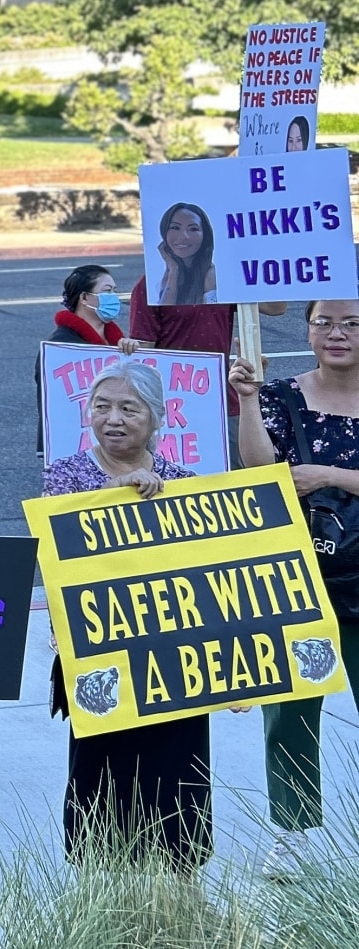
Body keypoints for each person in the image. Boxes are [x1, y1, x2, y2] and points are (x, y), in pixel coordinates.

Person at [42, 361, 211, 871]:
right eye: (101, 406)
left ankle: (177, 901)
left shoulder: (185, 484)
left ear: (157, 418)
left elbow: (206, 580)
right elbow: (61, 556)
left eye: (128, 408)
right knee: (101, 785)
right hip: (100, 658)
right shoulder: (64, 478)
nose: (113, 419)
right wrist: (124, 497)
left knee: (175, 785)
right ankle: (104, 901)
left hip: (173, 665)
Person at [232, 300, 359, 879]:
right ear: (306, 329)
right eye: (324, 322)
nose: (337, 333)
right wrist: (249, 401)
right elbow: (260, 474)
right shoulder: (282, 394)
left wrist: (328, 476)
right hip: (299, 578)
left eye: (353, 323)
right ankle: (293, 832)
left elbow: (308, 478)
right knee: (290, 711)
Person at [127, 277, 283, 470]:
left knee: (238, 474)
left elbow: (276, 307)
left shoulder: (224, 277)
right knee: (173, 473)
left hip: (223, 398)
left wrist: (253, 264)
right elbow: (145, 351)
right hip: (174, 402)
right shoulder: (150, 284)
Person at [35, 265, 138, 458]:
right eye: (107, 291)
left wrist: (133, 354)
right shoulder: (60, 347)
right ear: (84, 298)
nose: (114, 297)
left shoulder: (116, 342)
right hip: (77, 447)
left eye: (114, 291)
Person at [155, 202, 216, 306]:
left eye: (193, 229)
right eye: (175, 228)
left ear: (205, 235)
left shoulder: (211, 275)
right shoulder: (166, 275)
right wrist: (174, 270)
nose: (184, 236)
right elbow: (163, 315)